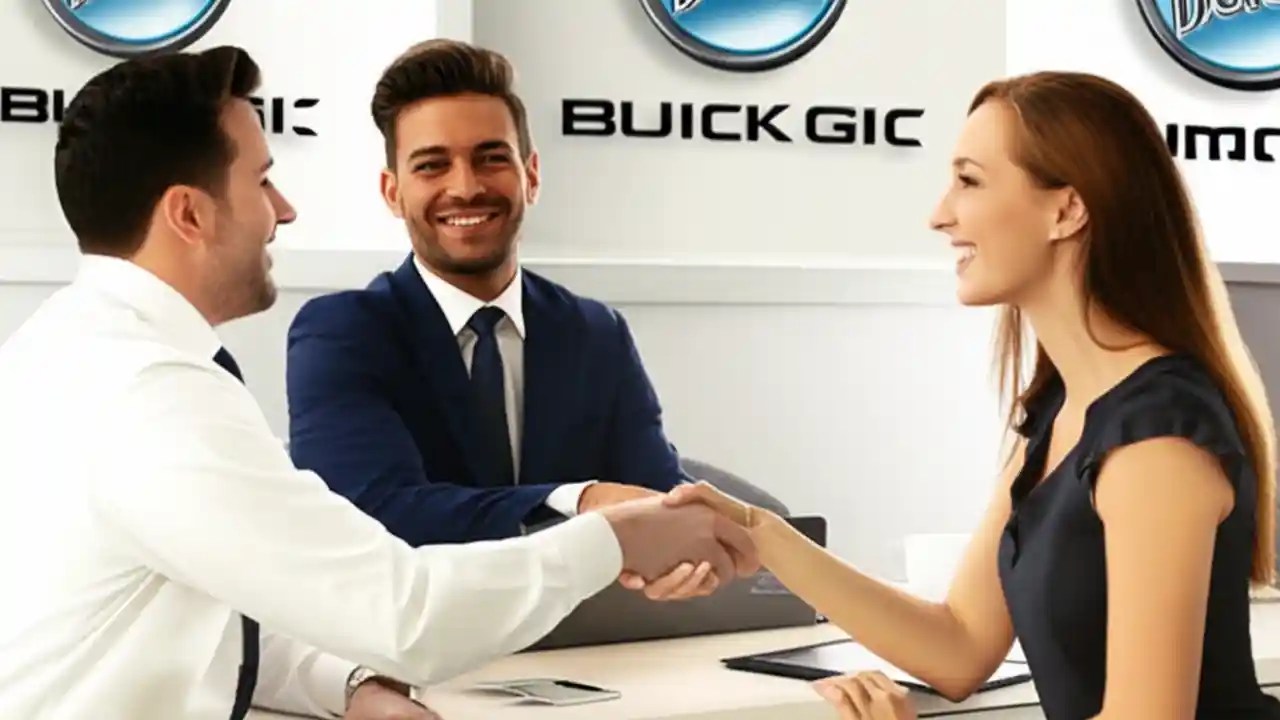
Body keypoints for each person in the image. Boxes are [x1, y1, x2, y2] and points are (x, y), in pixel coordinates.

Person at [0, 45, 757, 720]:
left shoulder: (65, 348)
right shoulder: (154, 395)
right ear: (190, 214)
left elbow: (233, 600)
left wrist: (353, 689)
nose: (283, 211)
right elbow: (407, 616)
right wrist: (605, 535)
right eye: (263, 180)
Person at [664, 71, 1280, 719]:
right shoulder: (1063, 411)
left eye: (970, 180)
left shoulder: (1157, 435)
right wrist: (761, 536)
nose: (940, 214)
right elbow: (958, 646)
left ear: (1066, 210)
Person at [284, 40, 693, 557]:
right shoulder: (343, 332)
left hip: (591, 633)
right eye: (432, 165)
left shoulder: (594, 332)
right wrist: (577, 501)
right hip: (420, 635)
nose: (467, 187)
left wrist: (688, 548)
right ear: (393, 192)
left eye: (491, 158)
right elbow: (371, 511)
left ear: (532, 175)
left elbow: (654, 495)